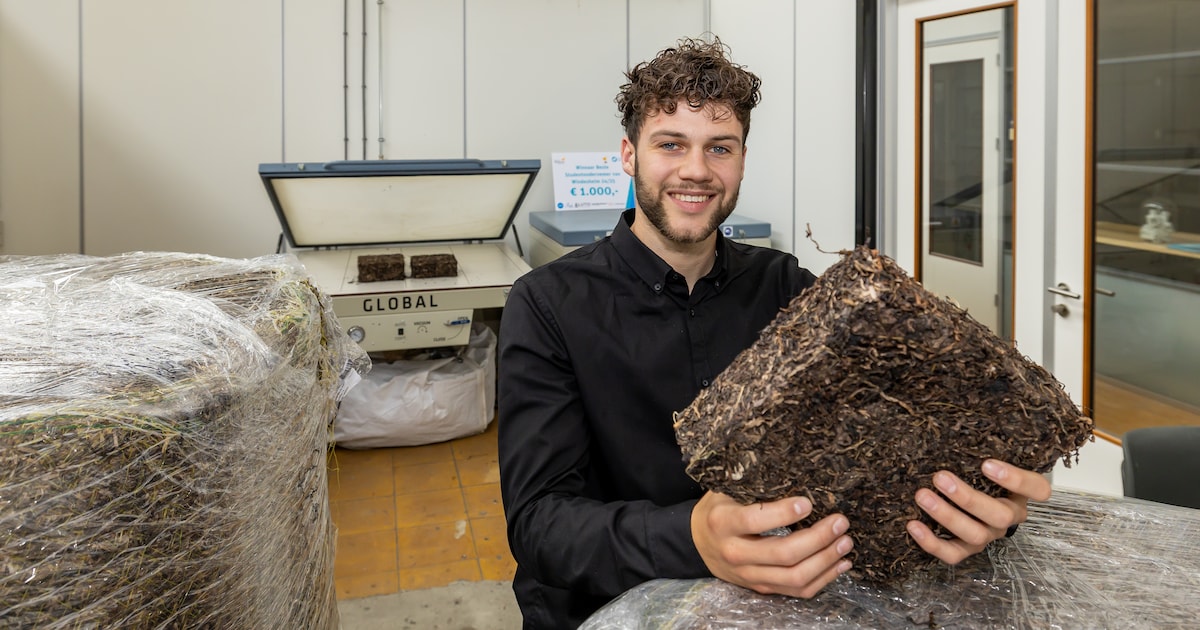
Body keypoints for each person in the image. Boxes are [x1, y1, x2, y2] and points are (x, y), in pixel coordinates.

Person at [497, 36, 1051, 629]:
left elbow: (914, 416)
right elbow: (539, 523)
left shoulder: (789, 288)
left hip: (783, 608)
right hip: (608, 610)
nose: (696, 170)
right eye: (671, 144)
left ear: (740, 159)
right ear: (629, 156)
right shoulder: (548, 304)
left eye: (720, 148)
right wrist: (692, 538)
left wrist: (986, 498)